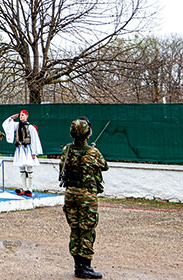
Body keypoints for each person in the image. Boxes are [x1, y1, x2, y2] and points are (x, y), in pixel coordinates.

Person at [60, 117, 108, 279]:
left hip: (71, 194)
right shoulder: (93, 152)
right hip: (87, 195)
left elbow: (62, 166)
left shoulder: (67, 150)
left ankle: (77, 266)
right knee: (87, 230)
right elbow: (105, 166)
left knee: (75, 229)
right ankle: (85, 267)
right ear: (88, 134)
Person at [3, 110, 43, 196]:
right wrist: (11, 118)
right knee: (22, 169)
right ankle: (24, 188)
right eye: (20, 115)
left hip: (28, 149)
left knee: (30, 169)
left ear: (27, 116)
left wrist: (34, 152)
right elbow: (7, 126)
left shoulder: (30, 127)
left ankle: (30, 188)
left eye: (23, 115)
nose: (21, 116)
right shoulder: (17, 125)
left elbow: (34, 140)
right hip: (20, 149)